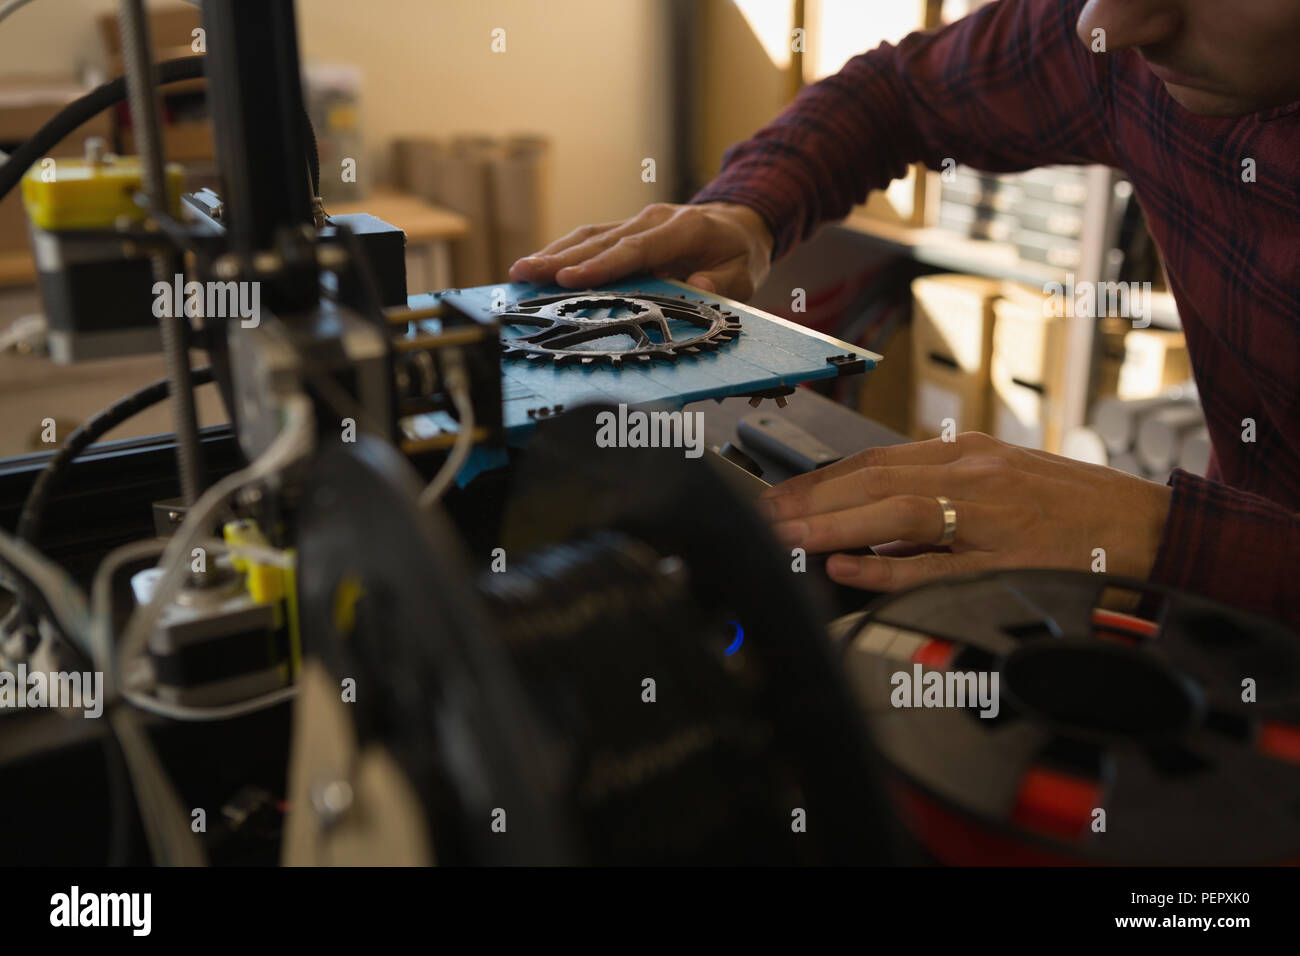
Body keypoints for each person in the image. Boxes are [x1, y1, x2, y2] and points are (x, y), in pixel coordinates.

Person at [509, 0, 1300, 630]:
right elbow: (897, 93)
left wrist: (1176, 541)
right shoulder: (1128, 42)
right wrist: (749, 214)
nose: (1109, 24)